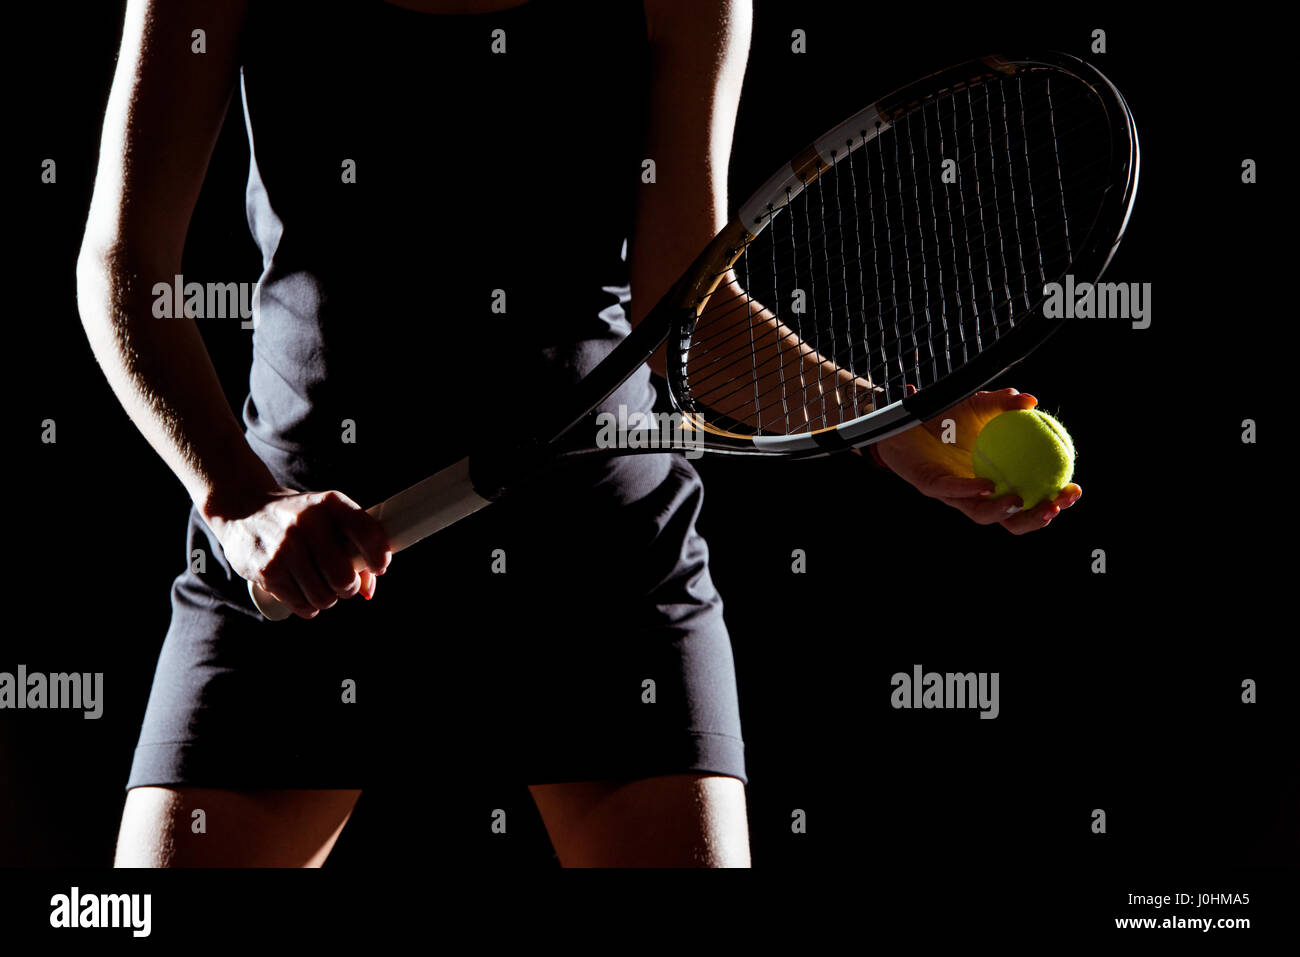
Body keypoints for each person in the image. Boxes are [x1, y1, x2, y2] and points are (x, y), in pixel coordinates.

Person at [77, 0, 1079, 868]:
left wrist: (887, 421)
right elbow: (123, 264)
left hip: (600, 557)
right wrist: (242, 502)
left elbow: (682, 309)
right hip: (303, 551)